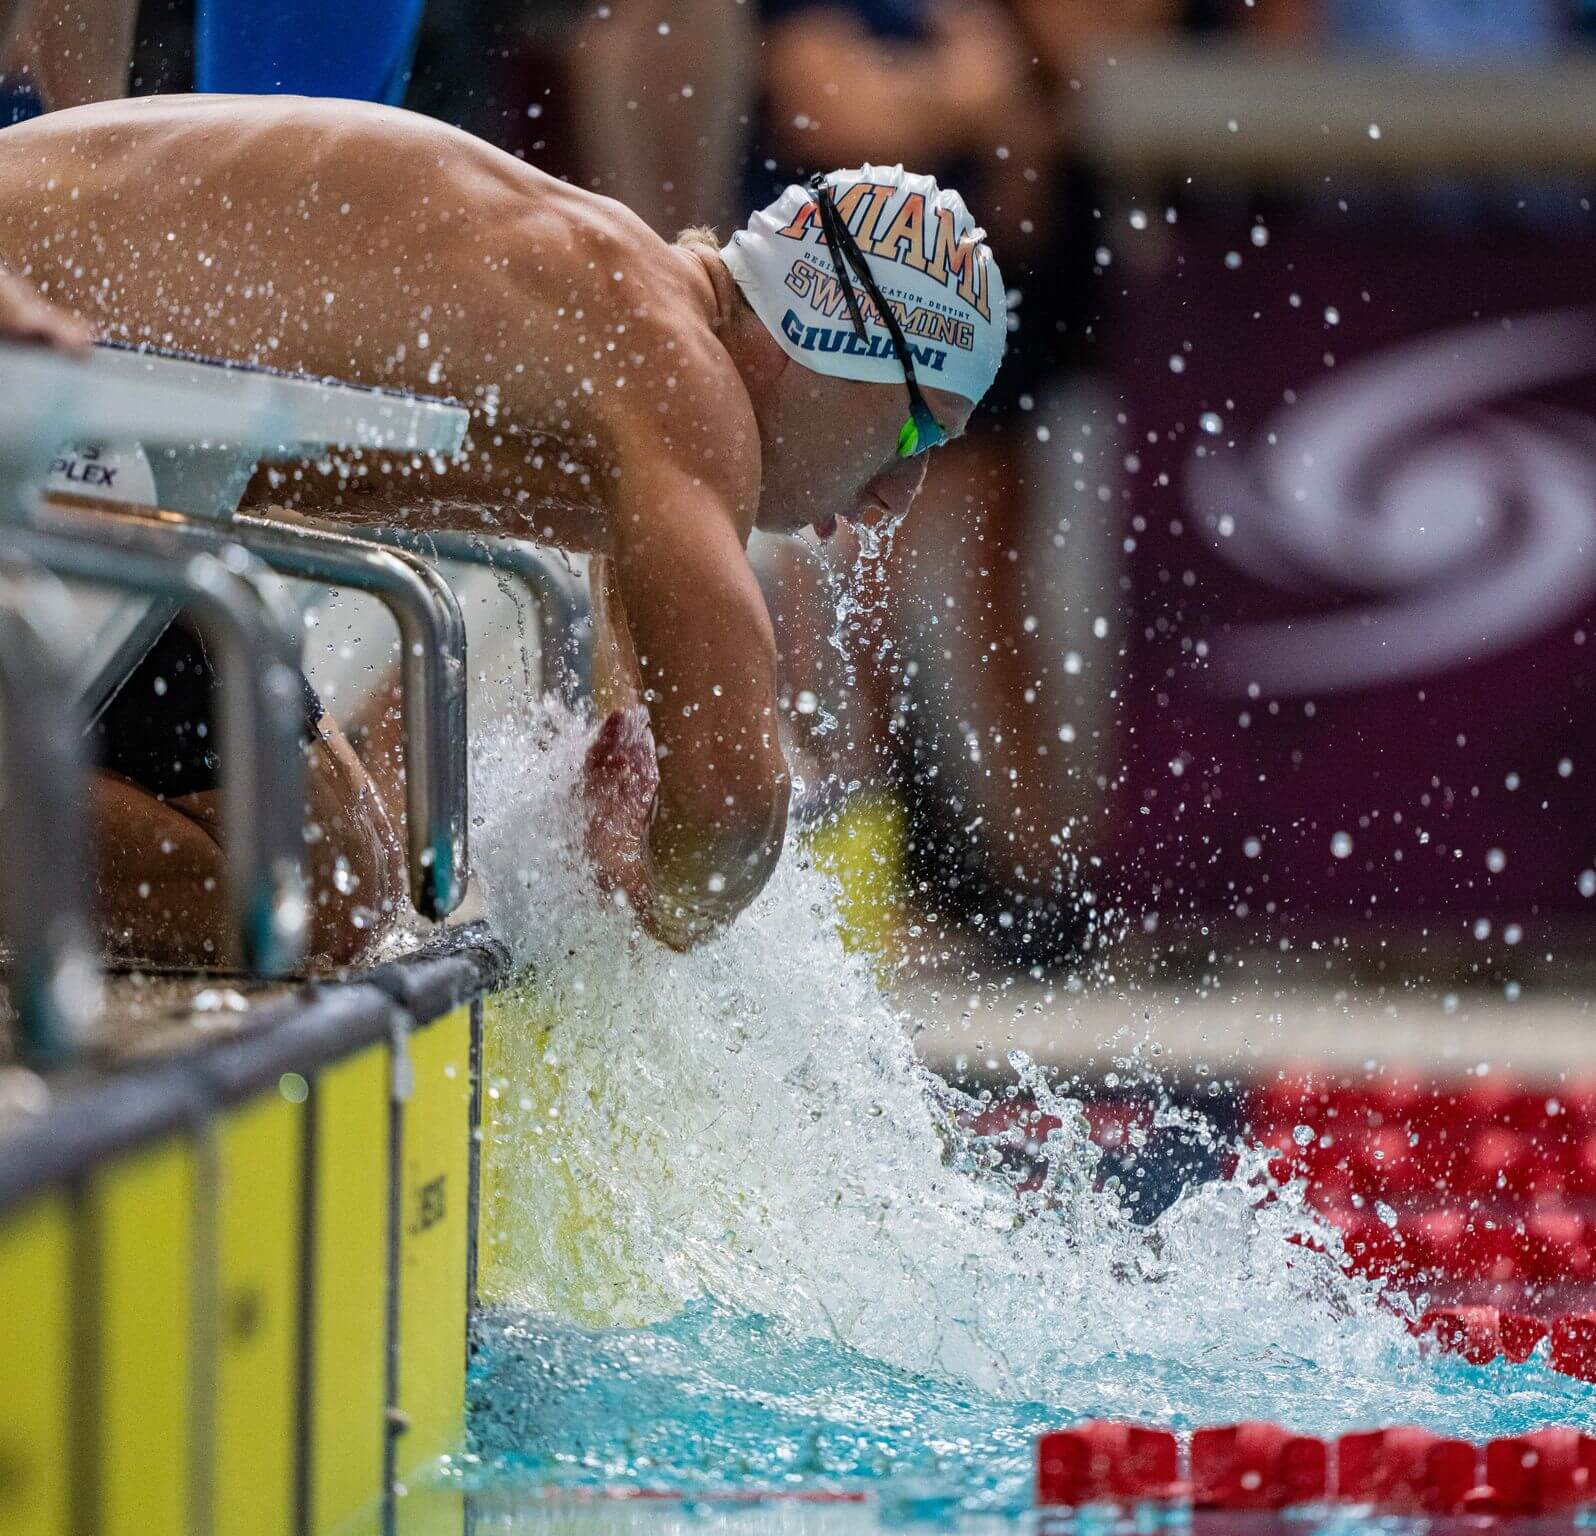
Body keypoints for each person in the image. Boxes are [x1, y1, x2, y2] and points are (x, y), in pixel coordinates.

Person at [0, 95, 1005, 954]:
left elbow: (660, 678)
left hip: (96, 433)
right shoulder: (674, 373)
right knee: (309, 884)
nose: (895, 497)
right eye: (917, 430)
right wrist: (660, 899)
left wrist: (638, 819)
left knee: (329, 868)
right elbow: (736, 813)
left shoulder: (628, 331)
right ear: (824, 340)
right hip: (52, 399)